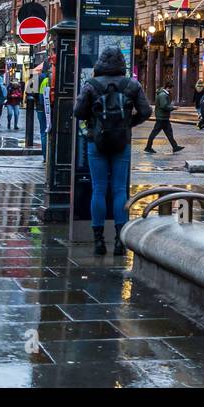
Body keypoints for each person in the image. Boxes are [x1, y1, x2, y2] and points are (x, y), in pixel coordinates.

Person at [73, 46, 151, 255]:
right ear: (121, 63)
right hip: (121, 142)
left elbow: (78, 112)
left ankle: (98, 240)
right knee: (119, 190)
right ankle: (119, 240)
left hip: (95, 142)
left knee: (98, 189)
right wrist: (128, 124)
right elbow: (146, 111)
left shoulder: (91, 85)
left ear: (101, 62)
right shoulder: (131, 84)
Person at [144, 80, 184, 155]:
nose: (172, 90)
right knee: (155, 133)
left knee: (168, 133)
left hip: (163, 117)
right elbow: (164, 106)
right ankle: (148, 147)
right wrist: (173, 108)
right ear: (168, 88)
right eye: (172, 89)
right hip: (162, 118)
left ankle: (175, 147)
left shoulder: (164, 94)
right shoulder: (163, 95)